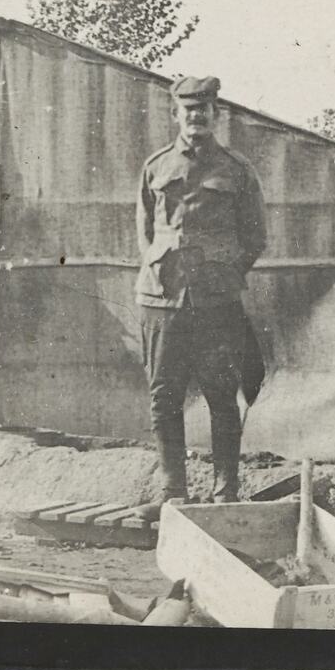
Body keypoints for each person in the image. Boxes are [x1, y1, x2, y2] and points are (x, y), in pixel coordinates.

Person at [133, 76, 267, 520]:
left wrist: (221, 274)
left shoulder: (236, 169)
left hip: (215, 301)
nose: (196, 117)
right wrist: (163, 272)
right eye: (188, 110)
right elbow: (146, 231)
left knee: (221, 393)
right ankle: (174, 490)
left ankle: (225, 490)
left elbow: (255, 238)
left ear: (216, 115)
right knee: (163, 395)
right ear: (176, 114)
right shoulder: (155, 167)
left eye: (204, 110)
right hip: (162, 298)